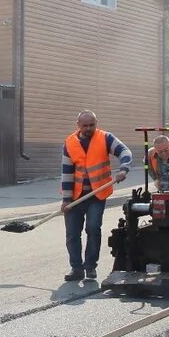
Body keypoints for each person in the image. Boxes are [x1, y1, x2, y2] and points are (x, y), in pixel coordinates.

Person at [61, 110, 132, 281]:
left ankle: (90, 267)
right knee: (72, 234)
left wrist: (124, 169)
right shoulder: (70, 143)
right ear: (78, 125)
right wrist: (66, 199)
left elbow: (125, 152)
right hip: (76, 197)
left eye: (91, 125)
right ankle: (76, 269)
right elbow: (67, 172)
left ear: (96, 123)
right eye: (84, 125)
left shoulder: (105, 138)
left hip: (97, 195)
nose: (88, 128)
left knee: (93, 229)